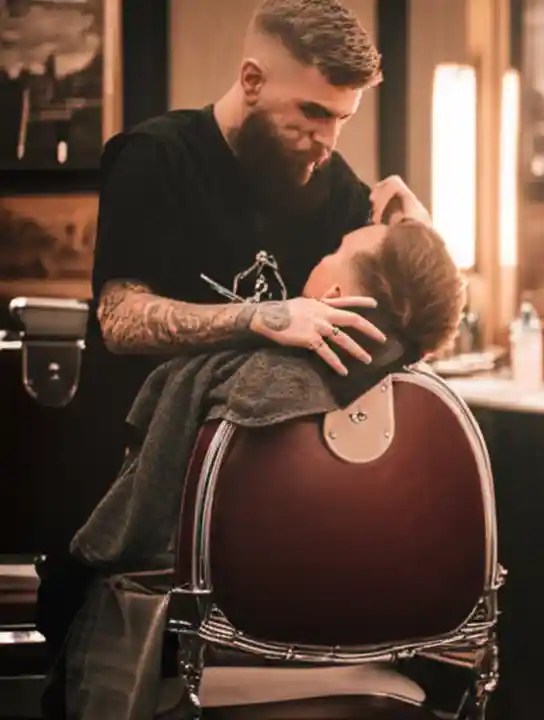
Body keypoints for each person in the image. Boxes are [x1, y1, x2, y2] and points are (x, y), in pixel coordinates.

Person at [37, 1, 432, 715]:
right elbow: (121, 319)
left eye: (342, 117)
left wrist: (421, 243)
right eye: (311, 111)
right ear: (251, 79)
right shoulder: (157, 157)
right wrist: (262, 317)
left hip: (253, 527)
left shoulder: (335, 189)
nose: (326, 138)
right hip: (131, 489)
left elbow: (404, 337)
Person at [59, 218, 464, 720]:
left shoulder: (240, 380)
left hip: (236, 648)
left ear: (333, 293)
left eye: (337, 248)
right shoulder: (428, 407)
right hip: (383, 655)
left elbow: (144, 533)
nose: (322, 251)